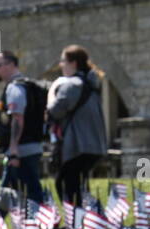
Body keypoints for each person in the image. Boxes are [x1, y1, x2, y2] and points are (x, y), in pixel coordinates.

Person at [47, 45, 108, 205]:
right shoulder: (90, 84)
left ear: (73, 63)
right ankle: (85, 219)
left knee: (65, 184)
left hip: (77, 146)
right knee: (78, 186)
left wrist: (52, 92)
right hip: (94, 145)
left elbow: (55, 110)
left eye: (63, 61)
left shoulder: (72, 85)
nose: (61, 65)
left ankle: (77, 222)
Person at [0, 51, 46, 205]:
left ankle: (43, 225)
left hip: (21, 152)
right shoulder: (25, 86)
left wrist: (14, 150)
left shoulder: (15, 88)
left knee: (31, 195)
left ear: (11, 65)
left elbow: (17, 118)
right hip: (28, 149)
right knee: (11, 194)